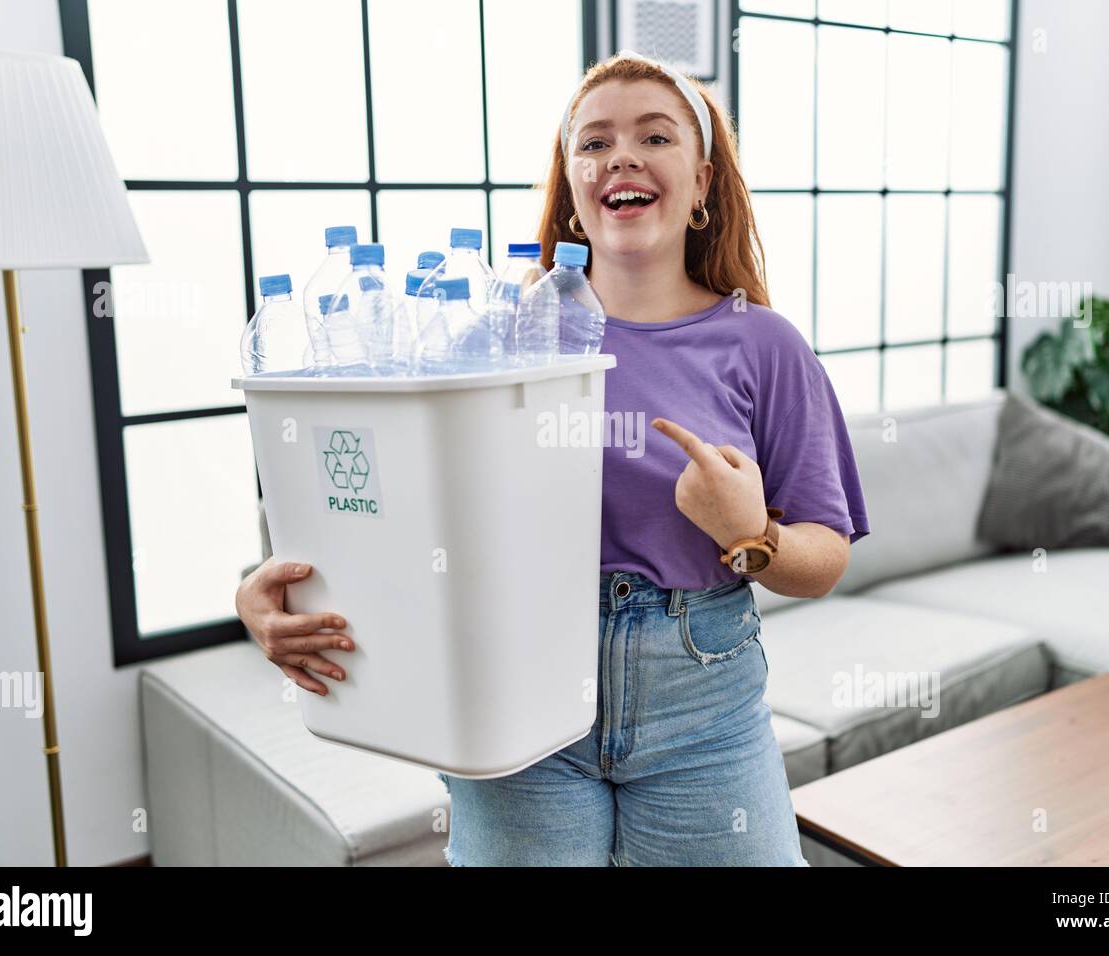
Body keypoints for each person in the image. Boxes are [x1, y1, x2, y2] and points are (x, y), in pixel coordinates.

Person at [235, 50, 869, 866]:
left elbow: (825, 556)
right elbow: (377, 496)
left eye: (655, 137)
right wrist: (265, 591)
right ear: (572, 184)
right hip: (512, 684)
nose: (622, 158)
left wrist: (755, 537)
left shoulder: (764, 345)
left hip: (702, 704)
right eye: (594, 143)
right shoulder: (493, 339)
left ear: (704, 181)